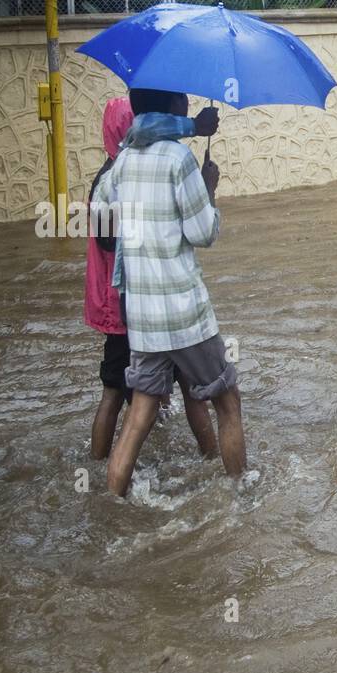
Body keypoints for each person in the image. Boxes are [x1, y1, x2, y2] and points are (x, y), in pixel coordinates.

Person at [95, 87, 246, 497]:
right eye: (182, 99)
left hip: (141, 317)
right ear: (171, 107)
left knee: (140, 412)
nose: (187, 104)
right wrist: (209, 187)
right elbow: (203, 233)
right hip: (184, 313)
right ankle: (240, 504)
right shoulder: (180, 160)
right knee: (228, 401)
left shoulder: (121, 163)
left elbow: (103, 217)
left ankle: (111, 505)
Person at [84, 96, 218, 460]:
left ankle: (107, 470)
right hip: (132, 309)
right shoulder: (121, 175)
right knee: (166, 395)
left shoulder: (112, 173)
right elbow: (111, 238)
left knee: (130, 396)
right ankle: (201, 463)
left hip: (125, 310)